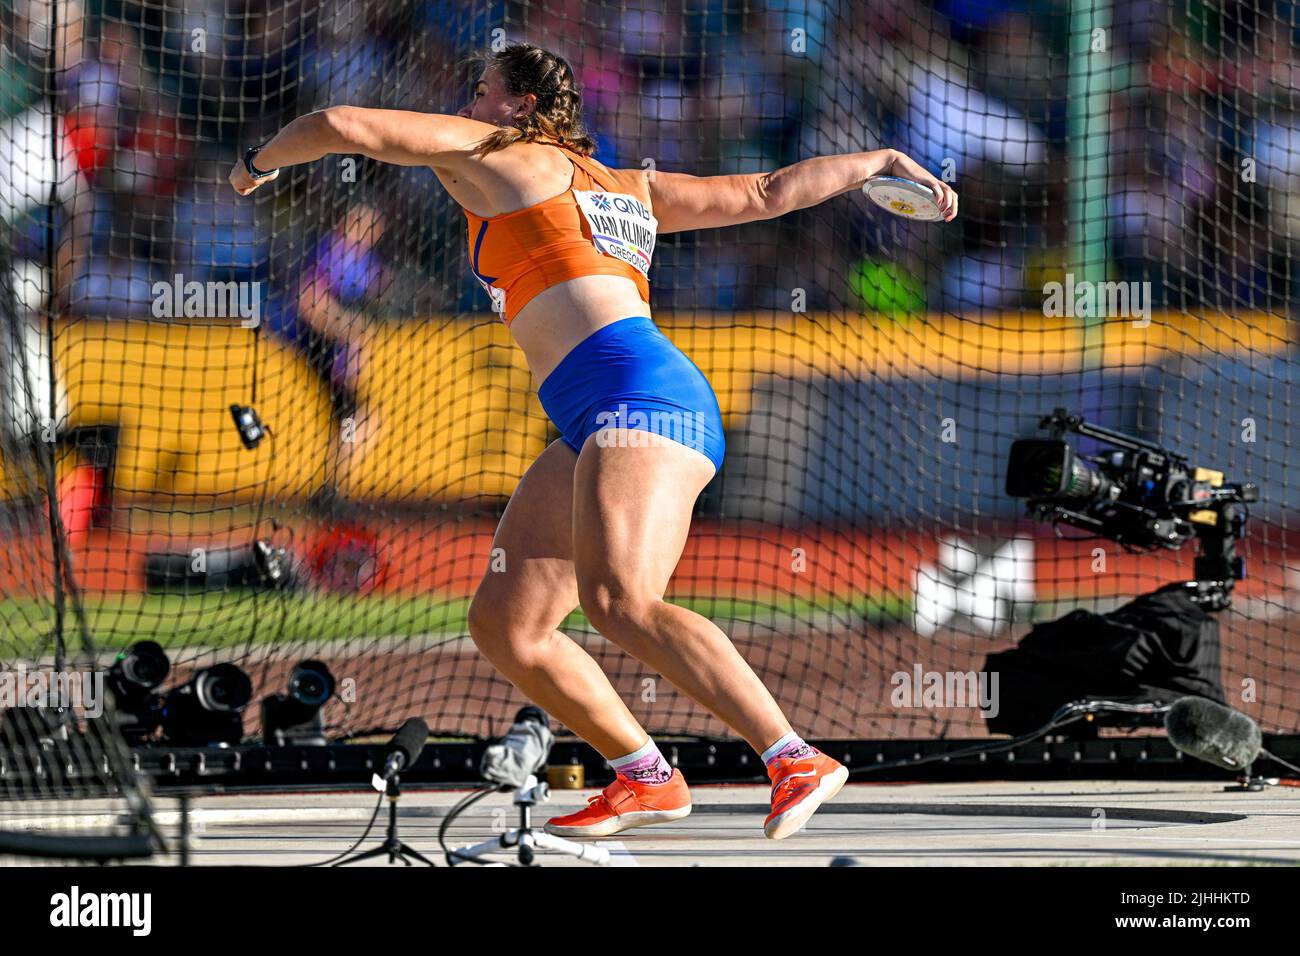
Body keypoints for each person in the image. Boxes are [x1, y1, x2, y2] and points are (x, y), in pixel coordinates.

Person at [229, 42, 957, 840]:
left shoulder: (499, 152)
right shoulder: (629, 187)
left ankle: (792, 757)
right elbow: (767, 190)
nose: (469, 107)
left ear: (522, 110)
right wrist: (877, 161)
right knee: (509, 623)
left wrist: (256, 164)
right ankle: (646, 776)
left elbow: (340, 122)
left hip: (638, 401)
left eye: (482, 92)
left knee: (620, 601)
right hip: (601, 415)